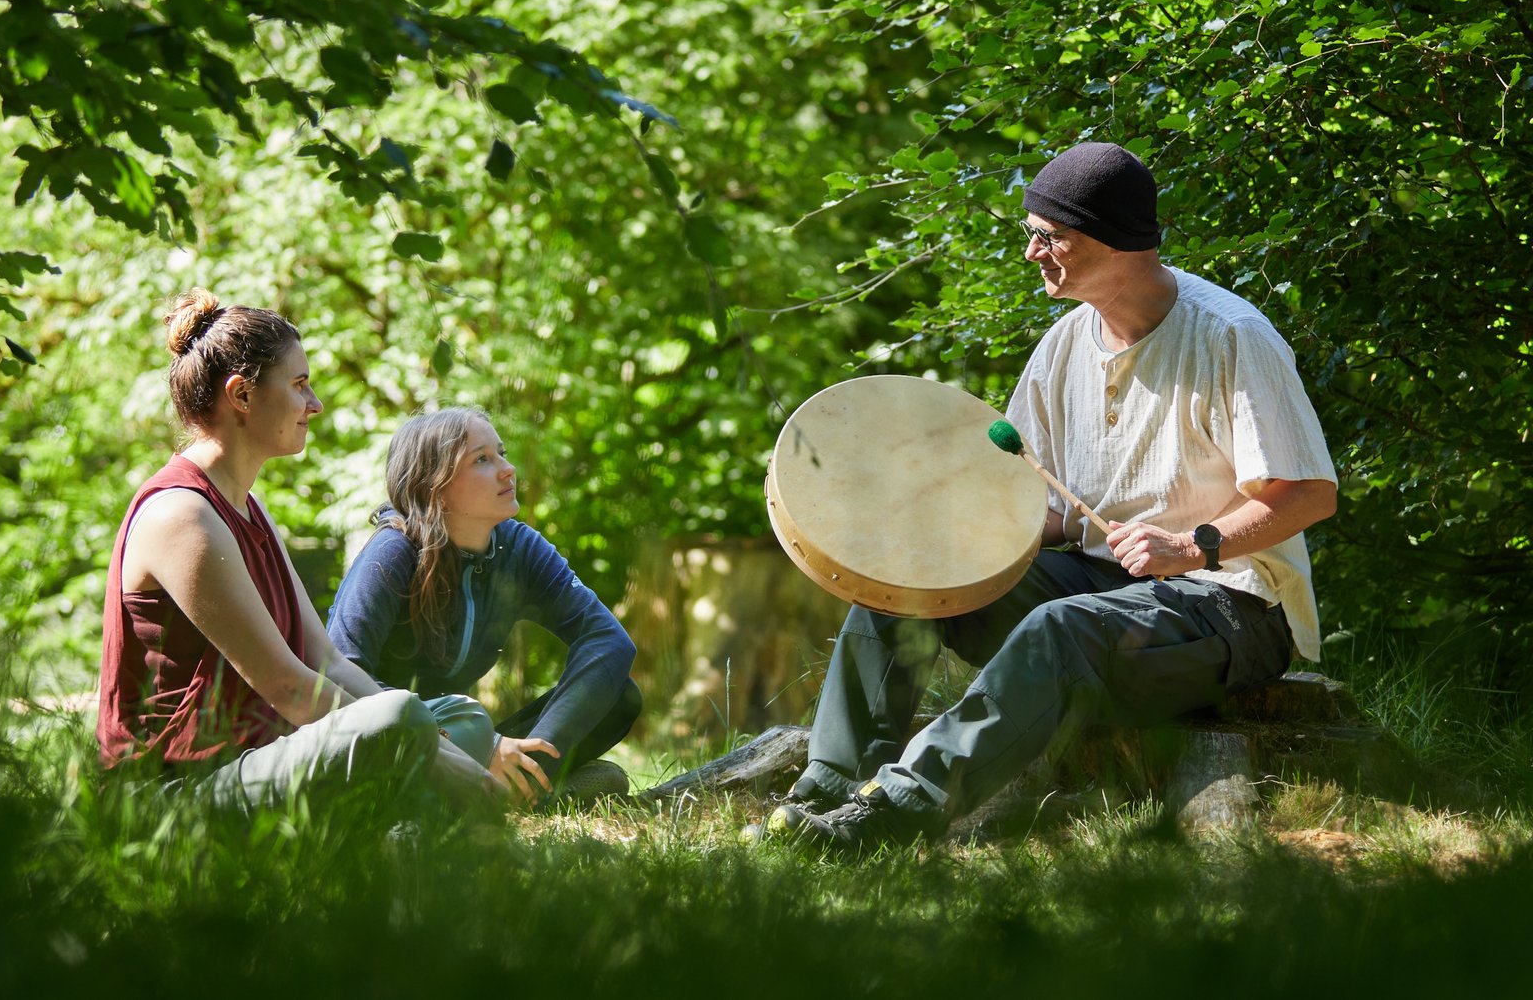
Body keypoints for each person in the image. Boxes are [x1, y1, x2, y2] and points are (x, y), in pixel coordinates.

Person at [756, 141, 1339, 853]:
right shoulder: (1064, 345)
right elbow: (1047, 510)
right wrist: (946, 532)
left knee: (1057, 630)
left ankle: (897, 813)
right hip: (1101, 588)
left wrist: (1191, 544)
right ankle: (829, 785)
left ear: (1118, 242)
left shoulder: (1231, 335)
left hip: (1231, 606)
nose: (1032, 252)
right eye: (1030, 233)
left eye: (1049, 236)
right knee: (909, 585)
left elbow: (1308, 493)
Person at [98, 289, 505, 811]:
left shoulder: (250, 507)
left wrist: (437, 740)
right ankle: (430, 816)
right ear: (242, 396)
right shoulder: (182, 515)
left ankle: (412, 814)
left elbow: (327, 662)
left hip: (261, 760)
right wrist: (445, 759)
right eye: (299, 385)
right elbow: (288, 686)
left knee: (457, 719)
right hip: (176, 796)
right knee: (401, 720)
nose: (314, 404)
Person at [327, 407, 641, 805]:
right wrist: (482, 745)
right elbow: (339, 675)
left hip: (470, 736)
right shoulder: (393, 551)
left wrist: (530, 758)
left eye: (502, 453)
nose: (508, 470)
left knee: (618, 695)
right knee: (460, 720)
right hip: (390, 742)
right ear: (435, 485)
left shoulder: (519, 548)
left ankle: (516, 790)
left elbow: (609, 640)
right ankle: (503, 797)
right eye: (482, 459)